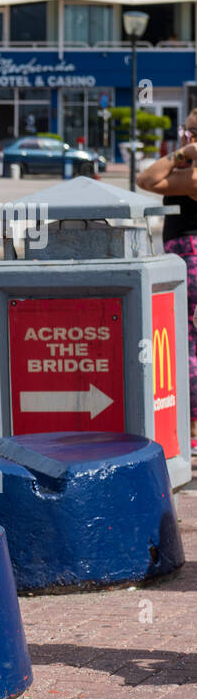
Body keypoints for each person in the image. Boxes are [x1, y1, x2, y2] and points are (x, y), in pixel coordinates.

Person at [137, 106, 197, 453]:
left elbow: (146, 180)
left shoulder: (191, 176)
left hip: (189, 255)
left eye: (186, 131)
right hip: (187, 253)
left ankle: (190, 425)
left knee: (187, 343)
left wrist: (180, 154)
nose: (182, 134)